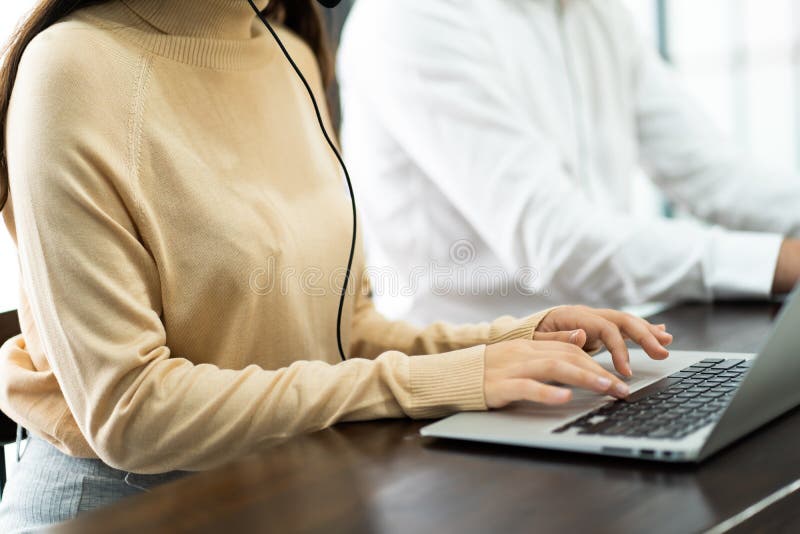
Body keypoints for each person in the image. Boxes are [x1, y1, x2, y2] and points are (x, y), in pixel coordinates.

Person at [0, 1, 673, 530]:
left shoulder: (286, 47)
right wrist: (443, 378)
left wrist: (510, 342)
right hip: (128, 507)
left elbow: (342, 330)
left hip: (288, 484)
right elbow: (131, 412)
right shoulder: (72, 68)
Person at [337, 0, 800, 326]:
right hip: (464, 388)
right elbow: (559, 244)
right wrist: (777, 260)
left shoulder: (597, 13)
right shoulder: (412, 15)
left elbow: (712, 173)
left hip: (605, 355)